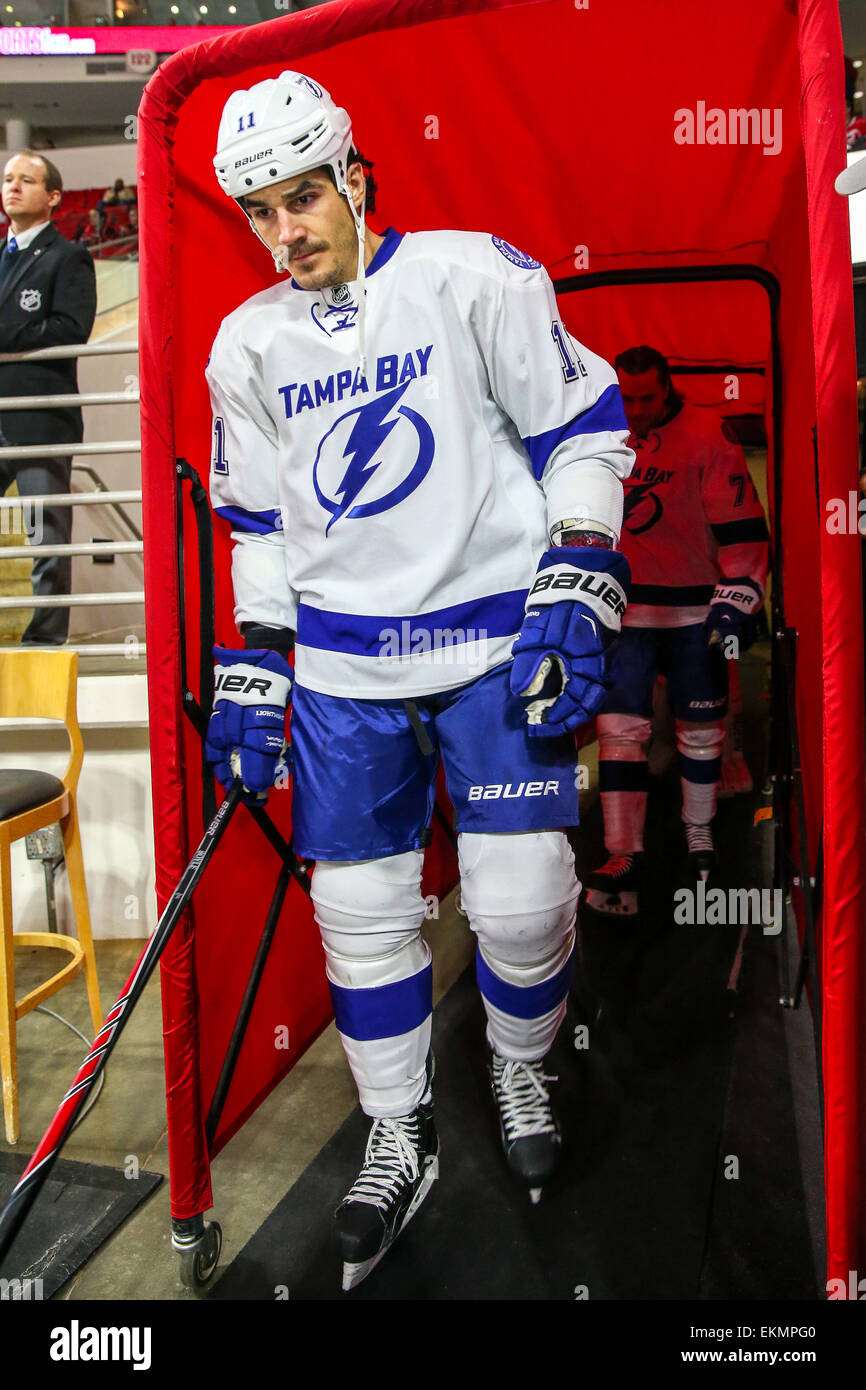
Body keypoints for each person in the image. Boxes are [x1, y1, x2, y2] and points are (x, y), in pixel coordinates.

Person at [204, 71, 634, 1290]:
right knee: (359, 915)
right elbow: (255, 523)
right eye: (259, 211)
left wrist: (578, 572)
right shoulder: (247, 342)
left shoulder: (470, 275)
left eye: (302, 196)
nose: (286, 230)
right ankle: (399, 1128)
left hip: (492, 639)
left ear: (353, 174)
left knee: (517, 898)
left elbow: (582, 428)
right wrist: (250, 660)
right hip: (343, 664)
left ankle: (517, 1056)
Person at [584, 346, 769, 916]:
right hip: (626, 610)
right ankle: (623, 851)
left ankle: (700, 831)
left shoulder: (709, 437)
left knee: (702, 727)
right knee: (619, 732)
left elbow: (744, 530)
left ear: (667, 389)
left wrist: (739, 595)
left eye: (646, 397)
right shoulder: (598, 432)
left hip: (694, 610)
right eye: (628, 397)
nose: (636, 409)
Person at [0, 150, 96, 645]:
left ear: (53, 197)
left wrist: (6, 334)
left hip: (41, 420)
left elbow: (70, 327)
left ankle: (44, 639)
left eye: (26, 180)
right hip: (0, 417)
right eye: (8, 179)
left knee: (45, 535)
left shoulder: (68, 256)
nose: (13, 187)